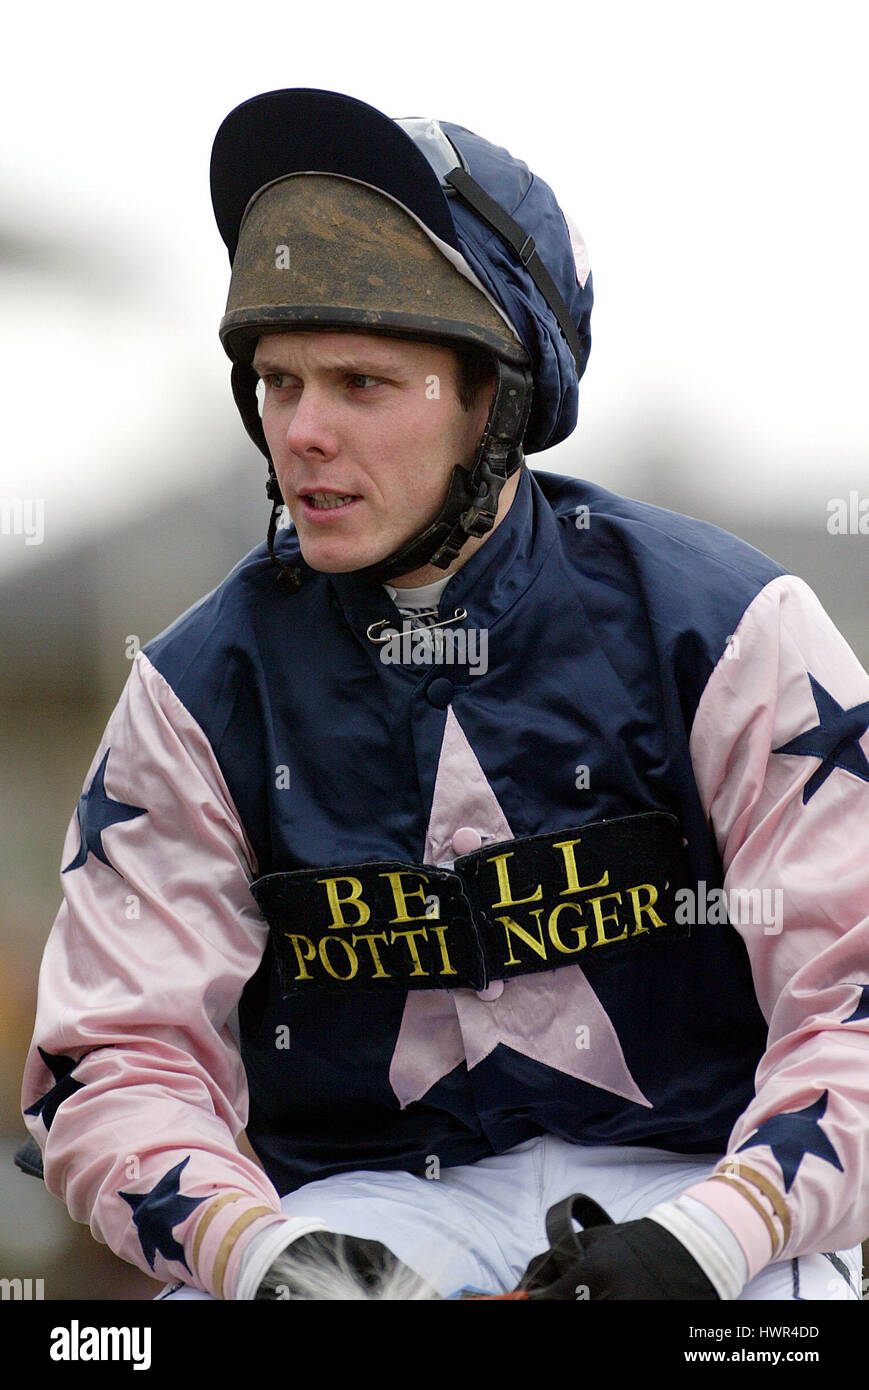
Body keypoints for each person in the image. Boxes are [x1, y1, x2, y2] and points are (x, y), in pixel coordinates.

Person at [20, 87, 869, 1302]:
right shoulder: (192, 690)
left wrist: (711, 1237)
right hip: (363, 1210)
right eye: (277, 382)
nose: (301, 432)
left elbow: (851, 1000)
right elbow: (123, 1056)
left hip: (704, 1181)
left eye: (361, 383)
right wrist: (260, 1252)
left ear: (497, 398)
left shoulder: (731, 626)